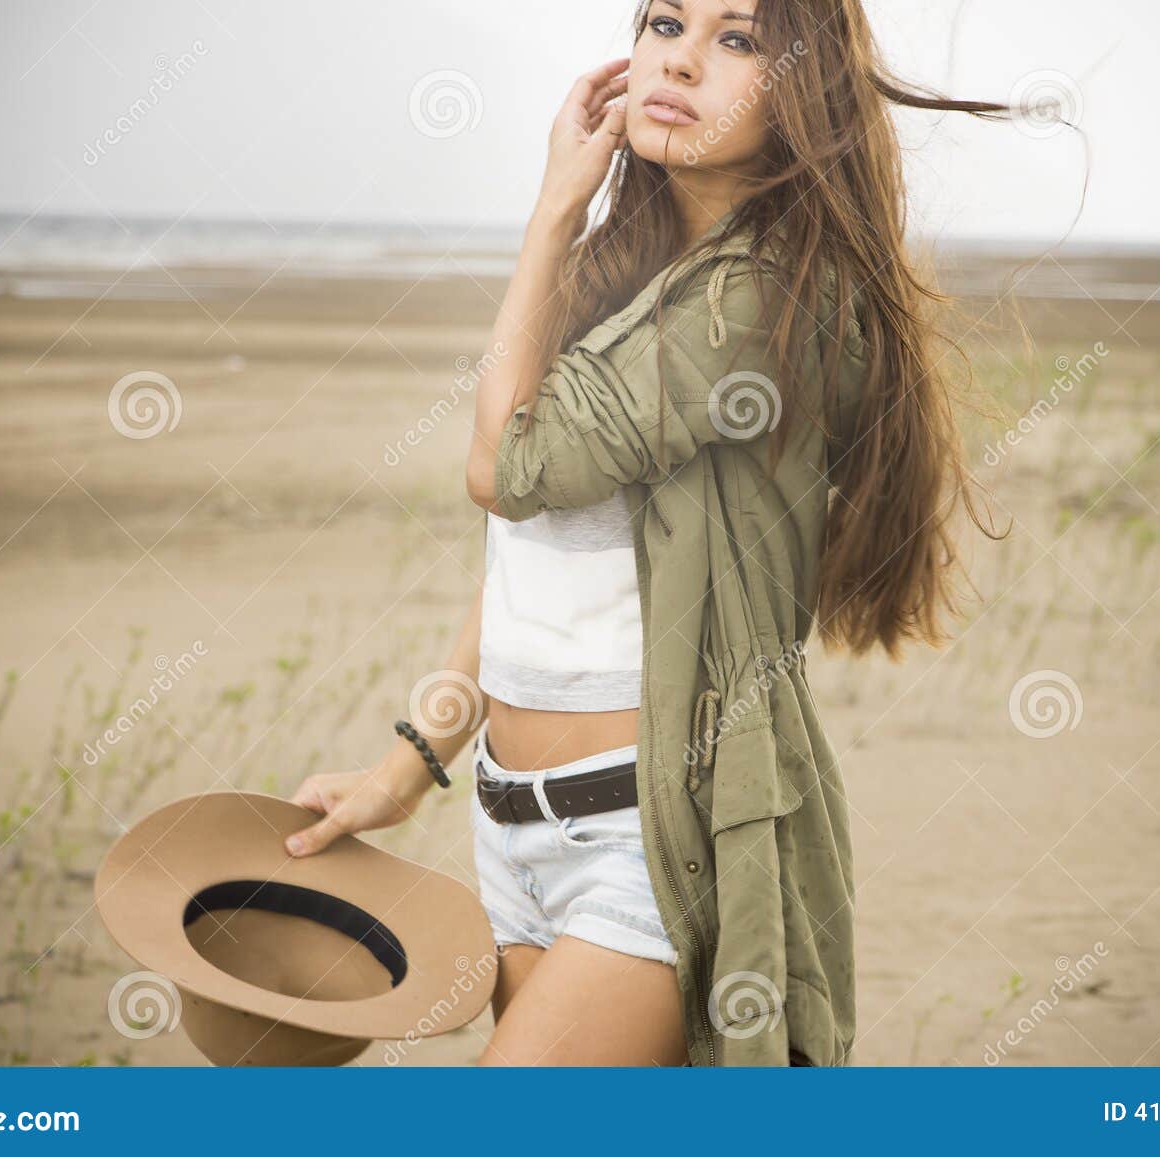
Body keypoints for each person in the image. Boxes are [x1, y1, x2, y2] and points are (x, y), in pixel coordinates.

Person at [287, 0, 1007, 1066]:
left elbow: (502, 471)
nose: (680, 59)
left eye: (737, 39)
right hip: (510, 824)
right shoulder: (619, 280)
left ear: (802, 90)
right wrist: (409, 764)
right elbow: (530, 565)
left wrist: (548, 214)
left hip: (655, 831)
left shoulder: (756, 300)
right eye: (666, 21)